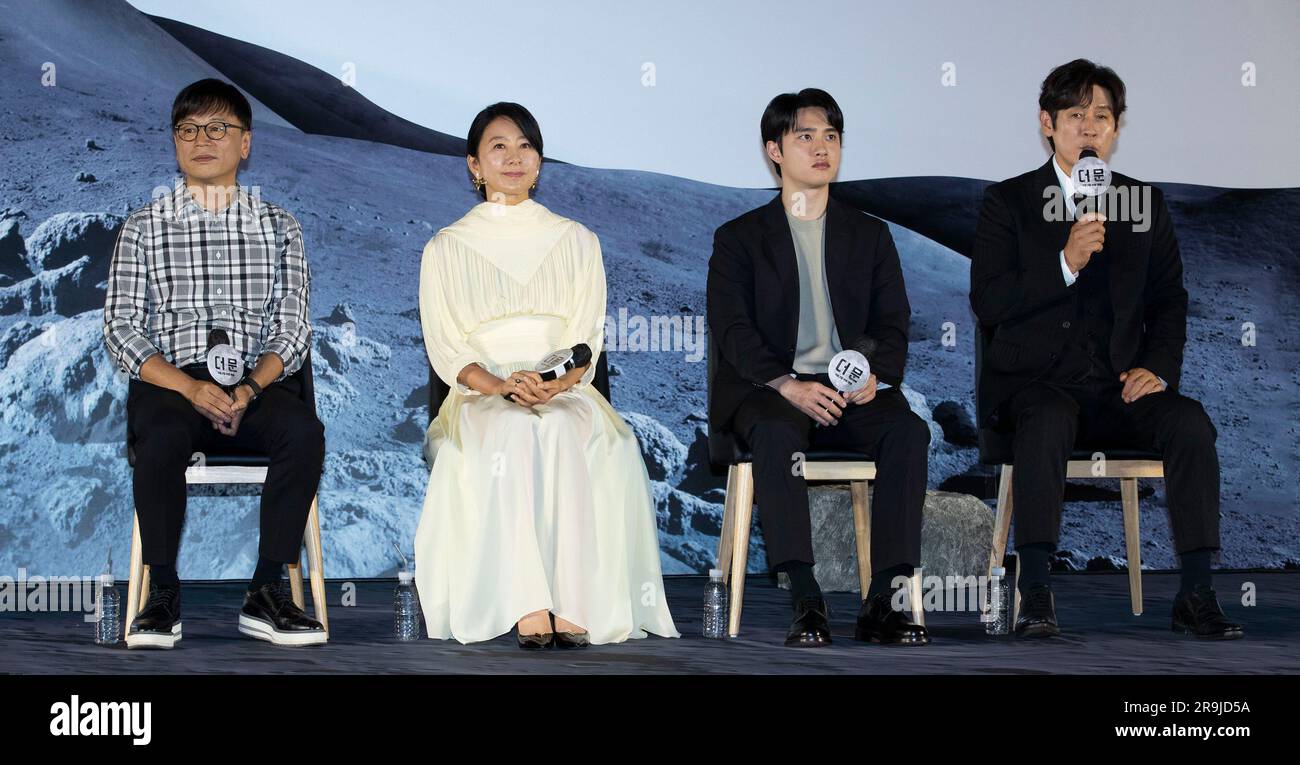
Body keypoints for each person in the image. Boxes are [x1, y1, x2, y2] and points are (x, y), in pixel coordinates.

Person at [969, 59, 1242, 640]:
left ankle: (1196, 593)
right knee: (1043, 420)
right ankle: (1035, 590)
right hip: (1038, 386)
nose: (1089, 128)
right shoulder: (1009, 202)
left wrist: (1158, 368)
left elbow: (1170, 299)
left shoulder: (1144, 205)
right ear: (1047, 123)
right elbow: (989, 302)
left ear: (1117, 128)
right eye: (1075, 115)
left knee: (1190, 424)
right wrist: (1064, 261)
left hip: (1120, 387)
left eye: (1102, 117)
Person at [414, 102, 679, 649]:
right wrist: (501, 385)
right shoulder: (445, 247)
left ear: (539, 163)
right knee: (510, 432)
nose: (514, 157)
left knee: (560, 428)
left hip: (565, 388)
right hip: (480, 392)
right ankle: (530, 603)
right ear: (474, 165)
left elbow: (586, 340)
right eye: (498, 147)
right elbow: (447, 349)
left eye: (525, 146)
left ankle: (575, 602)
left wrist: (554, 385)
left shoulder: (578, 240)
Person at [103, 79, 326, 649]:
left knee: (302, 432)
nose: (203, 139)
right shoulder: (143, 227)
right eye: (189, 130)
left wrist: (248, 389)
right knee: (159, 434)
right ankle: (163, 592)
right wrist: (187, 387)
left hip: (252, 382)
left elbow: (293, 328)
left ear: (245, 143)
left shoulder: (280, 227)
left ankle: (267, 588)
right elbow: (121, 329)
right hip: (174, 380)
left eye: (218, 128)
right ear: (175, 144)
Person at [707, 89, 931, 648]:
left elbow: (893, 323)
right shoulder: (738, 239)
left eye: (831, 135)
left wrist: (873, 376)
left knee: (908, 432)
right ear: (774, 151)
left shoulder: (869, 234)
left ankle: (885, 598)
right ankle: (806, 598)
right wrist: (787, 384)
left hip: (850, 391)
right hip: (772, 388)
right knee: (777, 433)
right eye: (805, 136)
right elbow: (733, 332)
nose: (822, 146)